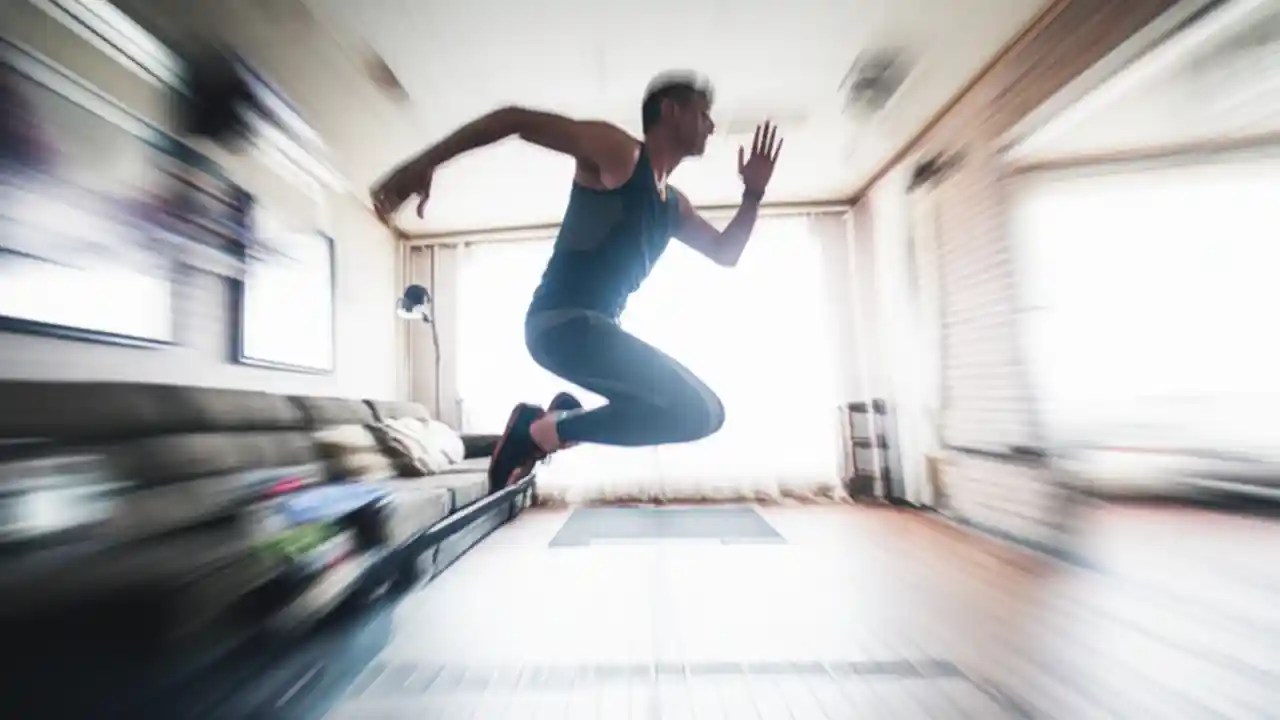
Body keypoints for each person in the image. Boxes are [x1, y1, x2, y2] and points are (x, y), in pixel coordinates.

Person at [370, 71, 783, 490]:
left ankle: (553, 425)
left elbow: (725, 252)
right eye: (703, 113)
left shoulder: (674, 206)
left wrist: (753, 194)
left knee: (701, 412)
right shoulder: (621, 154)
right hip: (561, 325)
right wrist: (424, 163)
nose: (711, 125)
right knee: (697, 411)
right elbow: (514, 119)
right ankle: (538, 433)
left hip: (590, 330)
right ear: (671, 111)